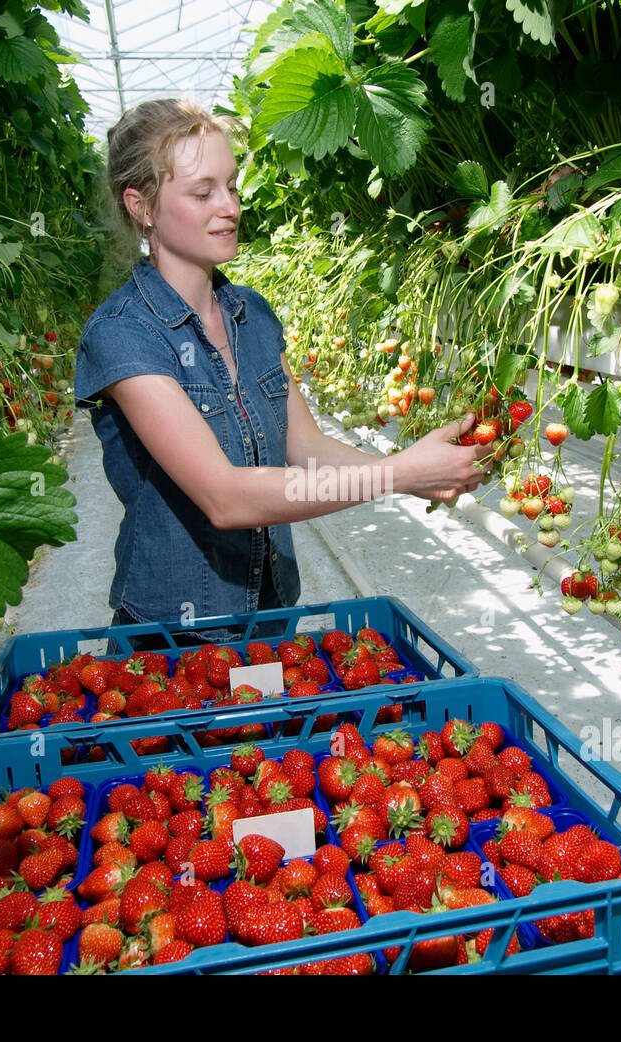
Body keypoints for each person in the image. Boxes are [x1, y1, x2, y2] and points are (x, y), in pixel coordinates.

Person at [74, 98, 493, 644]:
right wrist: (401, 475)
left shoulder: (252, 314)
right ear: (142, 206)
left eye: (231, 187)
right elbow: (225, 498)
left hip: (271, 616)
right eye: (203, 193)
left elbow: (307, 449)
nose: (228, 207)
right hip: (171, 641)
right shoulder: (123, 334)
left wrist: (413, 469)